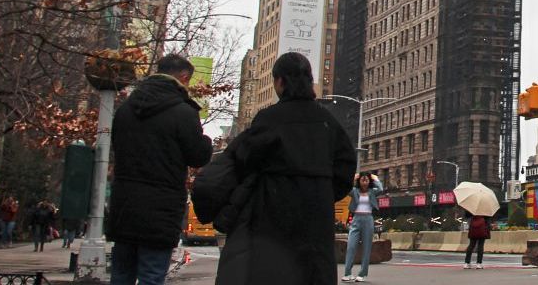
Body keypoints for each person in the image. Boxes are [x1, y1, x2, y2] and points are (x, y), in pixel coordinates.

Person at [214, 52, 356, 285]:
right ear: (309, 81)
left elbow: (244, 161)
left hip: (272, 215)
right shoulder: (327, 122)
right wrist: (323, 191)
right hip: (316, 218)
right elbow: (346, 167)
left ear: (279, 82)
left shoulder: (268, 119)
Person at [108, 54, 214, 285]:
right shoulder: (184, 112)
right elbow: (198, 156)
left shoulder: (126, 110)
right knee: (152, 277)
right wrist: (206, 141)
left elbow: (116, 148)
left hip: (124, 207)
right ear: (184, 78)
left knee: (120, 275)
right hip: (160, 210)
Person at [342, 172, 383, 282]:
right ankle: (347, 273)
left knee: (367, 247)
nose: (364, 181)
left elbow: (381, 189)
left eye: (367, 180)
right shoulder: (354, 191)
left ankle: (362, 273)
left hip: (368, 219)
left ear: (369, 182)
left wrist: (375, 179)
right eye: (362, 179)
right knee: (351, 246)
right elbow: (346, 188)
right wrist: (352, 178)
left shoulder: (372, 192)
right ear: (359, 182)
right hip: (356, 219)